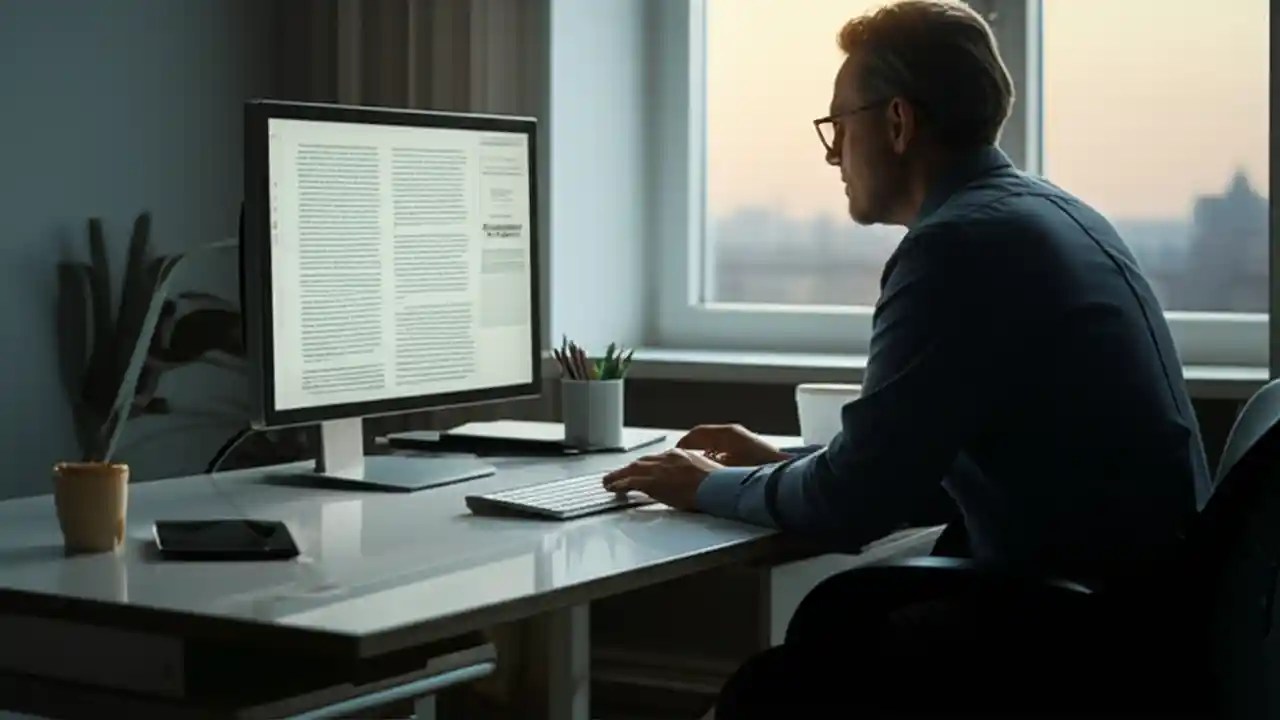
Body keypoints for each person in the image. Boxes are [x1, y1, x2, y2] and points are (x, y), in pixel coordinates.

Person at [603, 0, 1212, 714]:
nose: (832, 154)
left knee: (773, 692)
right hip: (1149, 620)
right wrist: (782, 469)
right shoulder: (1051, 213)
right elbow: (921, 469)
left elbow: (853, 506)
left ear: (897, 122)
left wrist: (701, 485)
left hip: (1078, 645)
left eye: (838, 125)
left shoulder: (957, 248)